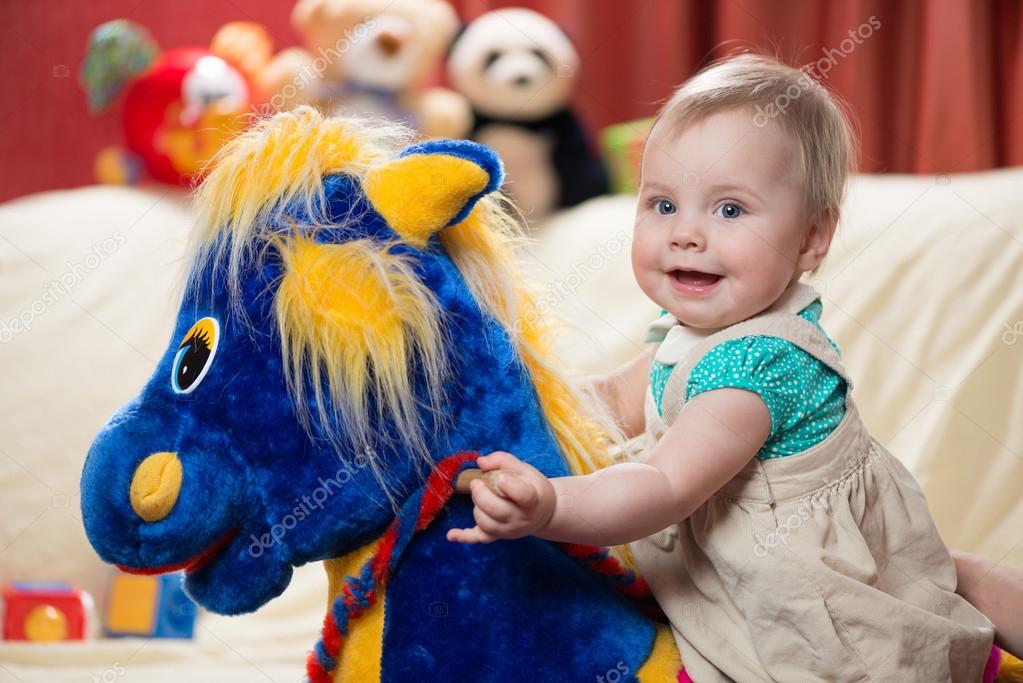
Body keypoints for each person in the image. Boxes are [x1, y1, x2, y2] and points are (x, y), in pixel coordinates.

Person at [447, 54, 1000, 681]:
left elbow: (660, 489)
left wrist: (551, 505)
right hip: (778, 559)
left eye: (729, 210)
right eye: (662, 204)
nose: (686, 234)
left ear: (812, 239)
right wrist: (499, 399)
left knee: (932, 600)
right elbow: (605, 400)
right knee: (952, 576)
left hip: (806, 621)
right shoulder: (694, 336)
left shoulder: (754, 372)